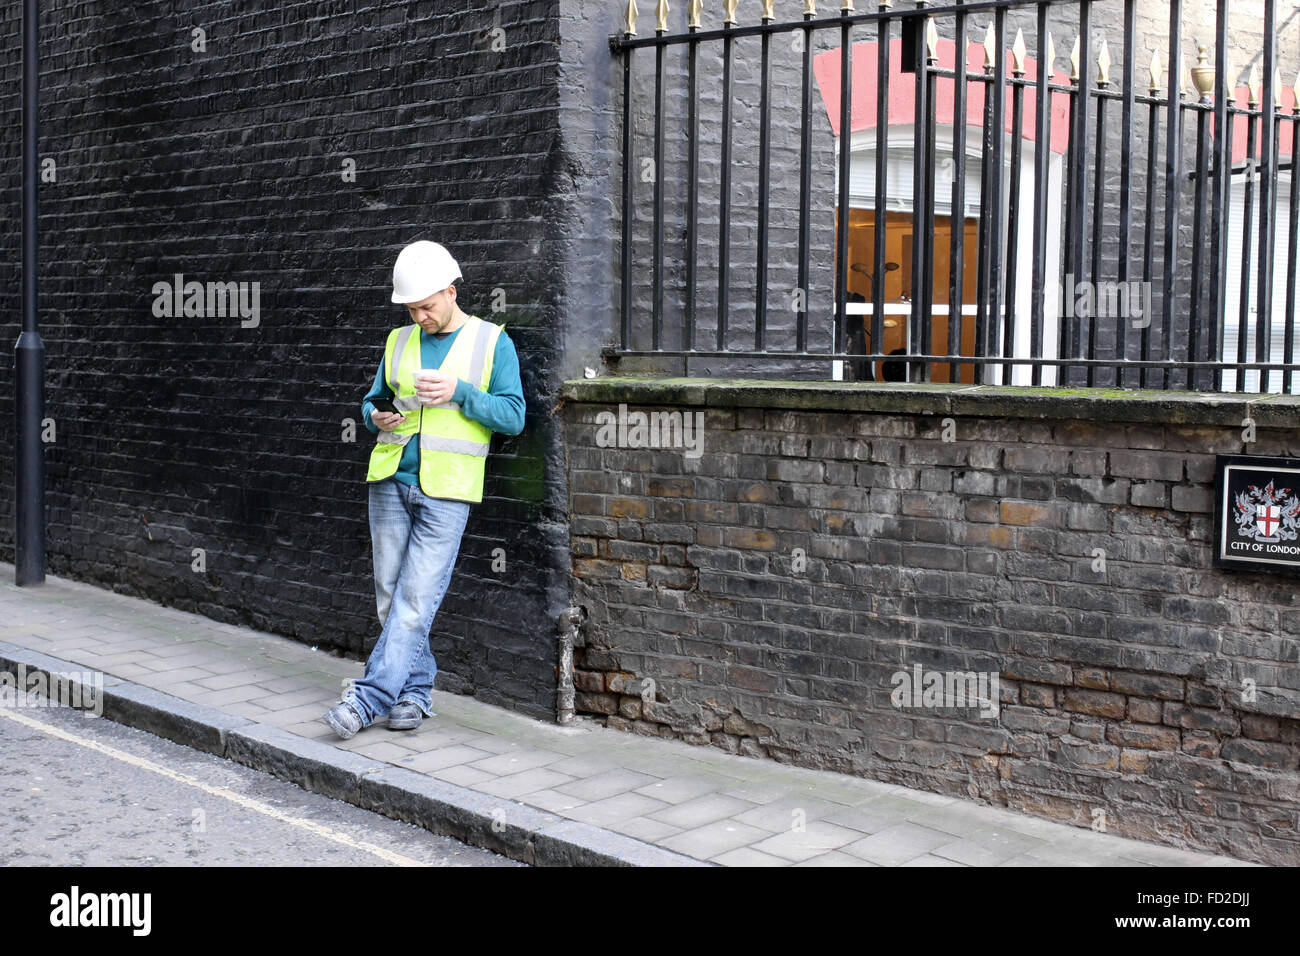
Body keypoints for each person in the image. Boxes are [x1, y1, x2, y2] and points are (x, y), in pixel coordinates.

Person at [322, 240, 525, 739]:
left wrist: (461, 394)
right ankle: (414, 692)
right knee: (392, 598)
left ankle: (368, 699)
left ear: (450, 293)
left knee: (416, 599)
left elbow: (514, 417)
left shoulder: (491, 341)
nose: (418, 316)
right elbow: (371, 402)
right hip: (390, 481)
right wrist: (375, 415)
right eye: (410, 308)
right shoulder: (398, 341)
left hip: (448, 491)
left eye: (426, 306)